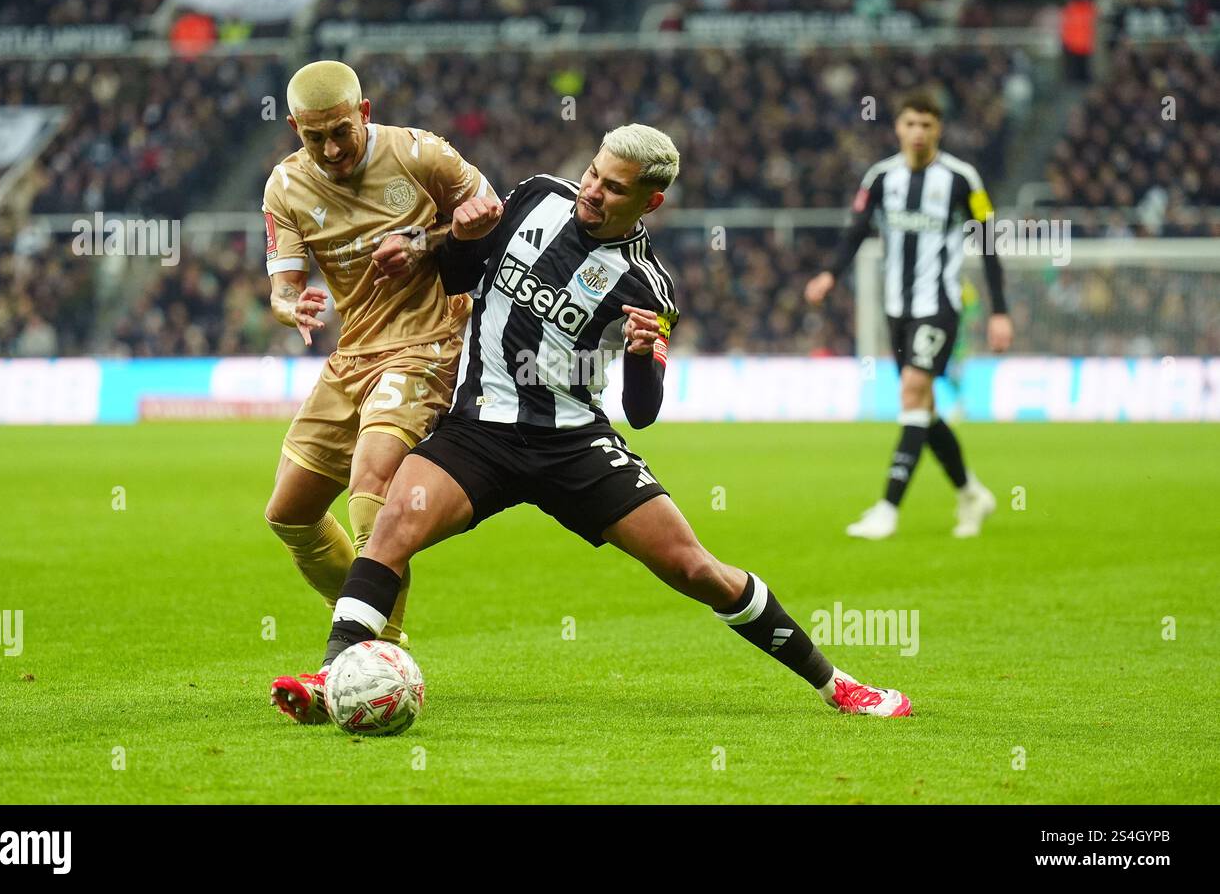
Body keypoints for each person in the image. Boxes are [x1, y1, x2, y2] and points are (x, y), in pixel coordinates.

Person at [271, 124, 912, 724]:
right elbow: (460, 278)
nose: (592, 191)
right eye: (592, 174)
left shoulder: (648, 289)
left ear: (650, 201)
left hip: (573, 444)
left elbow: (643, 411)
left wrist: (641, 356)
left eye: (613, 187)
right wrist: (458, 237)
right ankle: (334, 677)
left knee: (695, 569)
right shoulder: (534, 198)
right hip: (479, 431)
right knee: (390, 528)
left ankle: (838, 685)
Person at [261, 60, 496, 707]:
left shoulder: (422, 155)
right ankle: (381, 641)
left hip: (427, 346)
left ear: (364, 112)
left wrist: (425, 240)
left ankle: (368, 664)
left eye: (342, 131)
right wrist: (293, 306)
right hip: (352, 356)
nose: (332, 150)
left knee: (371, 485)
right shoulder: (284, 186)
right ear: (294, 130)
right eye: (316, 139)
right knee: (289, 514)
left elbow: (493, 216)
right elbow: (282, 286)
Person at [805, 90, 1013, 540]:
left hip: (938, 306)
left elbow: (990, 243)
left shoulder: (963, 179)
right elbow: (857, 230)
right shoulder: (881, 177)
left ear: (938, 130)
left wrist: (1000, 311)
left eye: (927, 125)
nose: (918, 133)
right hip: (896, 310)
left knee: (912, 392)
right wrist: (829, 274)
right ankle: (971, 492)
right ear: (897, 127)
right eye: (910, 124)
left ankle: (887, 508)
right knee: (925, 409)